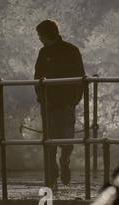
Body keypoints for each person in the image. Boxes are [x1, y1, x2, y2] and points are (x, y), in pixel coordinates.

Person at [33, 20, 86, 189]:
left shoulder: (71, 51)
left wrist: (74, 101)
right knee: (50, 143)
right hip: (50, 104)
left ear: (46, 35)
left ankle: (64, 161)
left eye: (40, 35)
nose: (39, 39)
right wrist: (42, 99)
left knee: (66, 142)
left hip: (66, 104)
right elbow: (38, 79)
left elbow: (81, 79)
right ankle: (52, 177)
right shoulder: (44, 52)